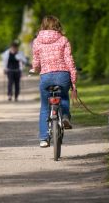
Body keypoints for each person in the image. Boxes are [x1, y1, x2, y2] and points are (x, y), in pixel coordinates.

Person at [30, 16, 77, 148]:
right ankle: (65, 116)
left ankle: (44, 139)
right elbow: (69, 61)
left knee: (45, 107)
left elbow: (36, 62)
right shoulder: (63, 39)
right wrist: (73, 81)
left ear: (43, 26)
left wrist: (35, 69)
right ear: (57, 25)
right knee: (63, 96)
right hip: (63, 75)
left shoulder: (37, 41)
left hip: (46, 77)